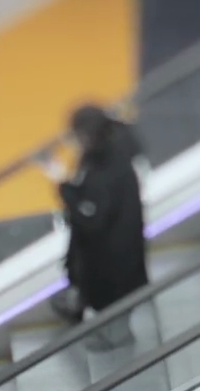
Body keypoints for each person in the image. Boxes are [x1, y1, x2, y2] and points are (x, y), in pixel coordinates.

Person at [45, 104, 149, 350]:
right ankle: (113, 332)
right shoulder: (119, 150)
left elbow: (92, 220)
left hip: (110, 264)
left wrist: (64, 187)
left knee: (115, 313)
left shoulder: (101, 175)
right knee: (117, 304)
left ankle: (119, 344)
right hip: (126, 254)